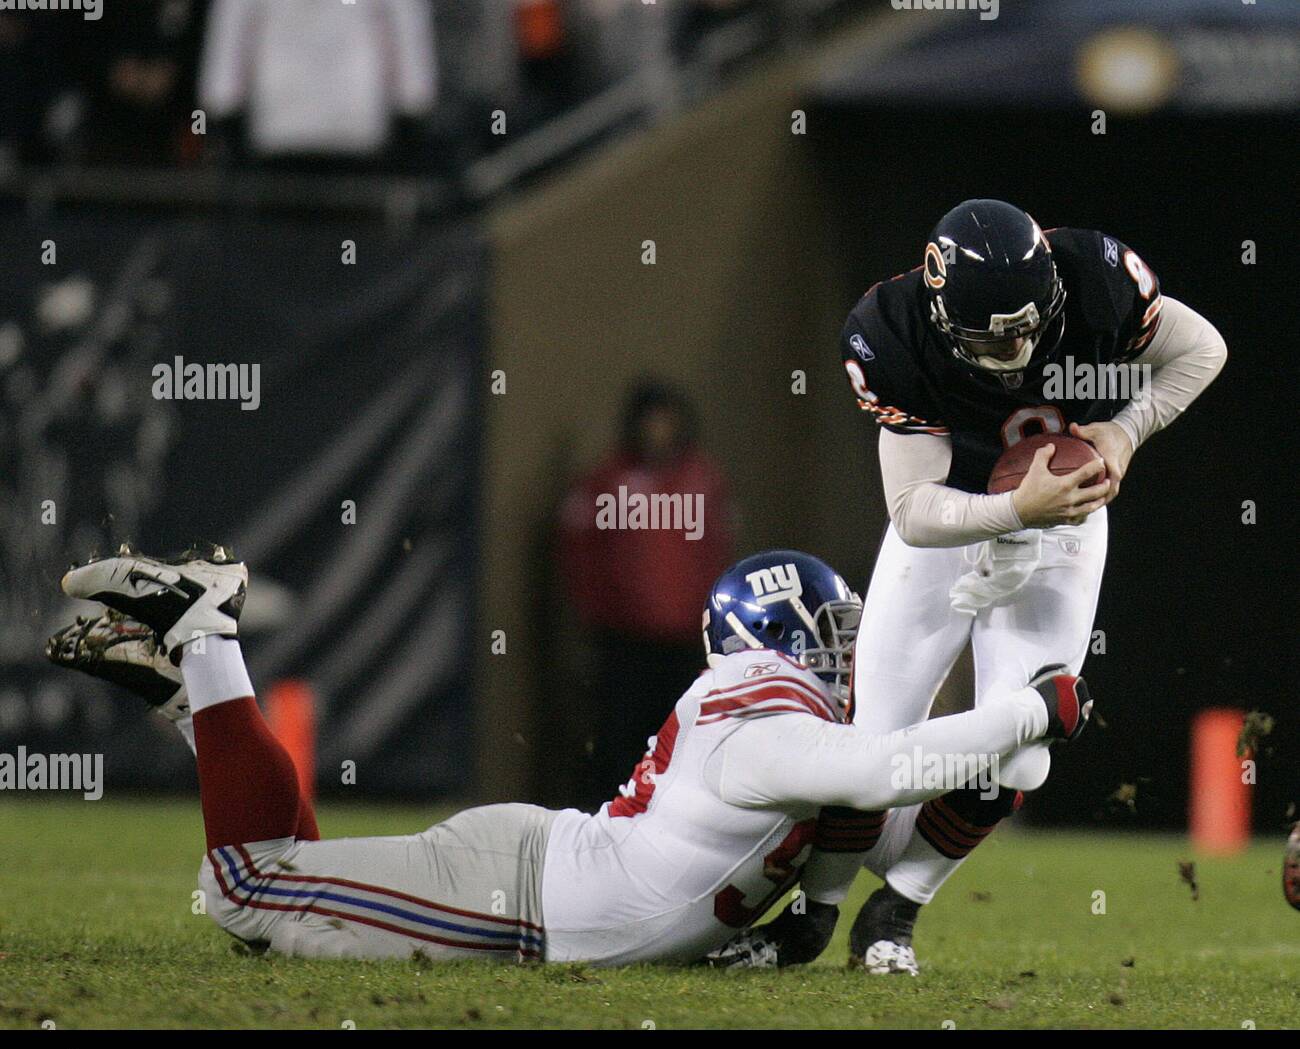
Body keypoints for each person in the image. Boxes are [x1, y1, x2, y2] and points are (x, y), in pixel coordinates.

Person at [48, 543, 1089, 964]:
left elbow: (868, 804)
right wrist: (1027, 712)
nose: (849, 644)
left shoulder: (787, 712)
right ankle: (206, 633)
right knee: (242, 892)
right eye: (834, 626)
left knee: (275, 894)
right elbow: (877, 774)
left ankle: (198, 702)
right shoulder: (757, 710)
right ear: (793, 632)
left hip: (541, 885)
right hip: (521, 896)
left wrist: (816, 920)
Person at [726, 199, 1226, 976]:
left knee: (1025, 749)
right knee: (871, 743)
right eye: (997, 336)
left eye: (1031, 325)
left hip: (1061, 526)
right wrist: (1012, 507)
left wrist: (1126, 430)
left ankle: (897, 909)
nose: (1021, 348)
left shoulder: (1096, 280)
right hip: (956, 522)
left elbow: (1204, 349)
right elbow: (915, 513)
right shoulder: (891, 329)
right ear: (942, 313)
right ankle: (812, 913)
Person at [558, 380, 733, 808]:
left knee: (681, 736)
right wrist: (594, 617)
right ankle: (611, 814)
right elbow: (581, 555)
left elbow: (716, 551)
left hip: (683, 642)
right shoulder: (608, 480)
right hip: (624, 641)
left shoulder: (701, 480)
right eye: (651, 420)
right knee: (618, 737)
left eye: (666, 420)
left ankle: (672, 814)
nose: (659, 431)